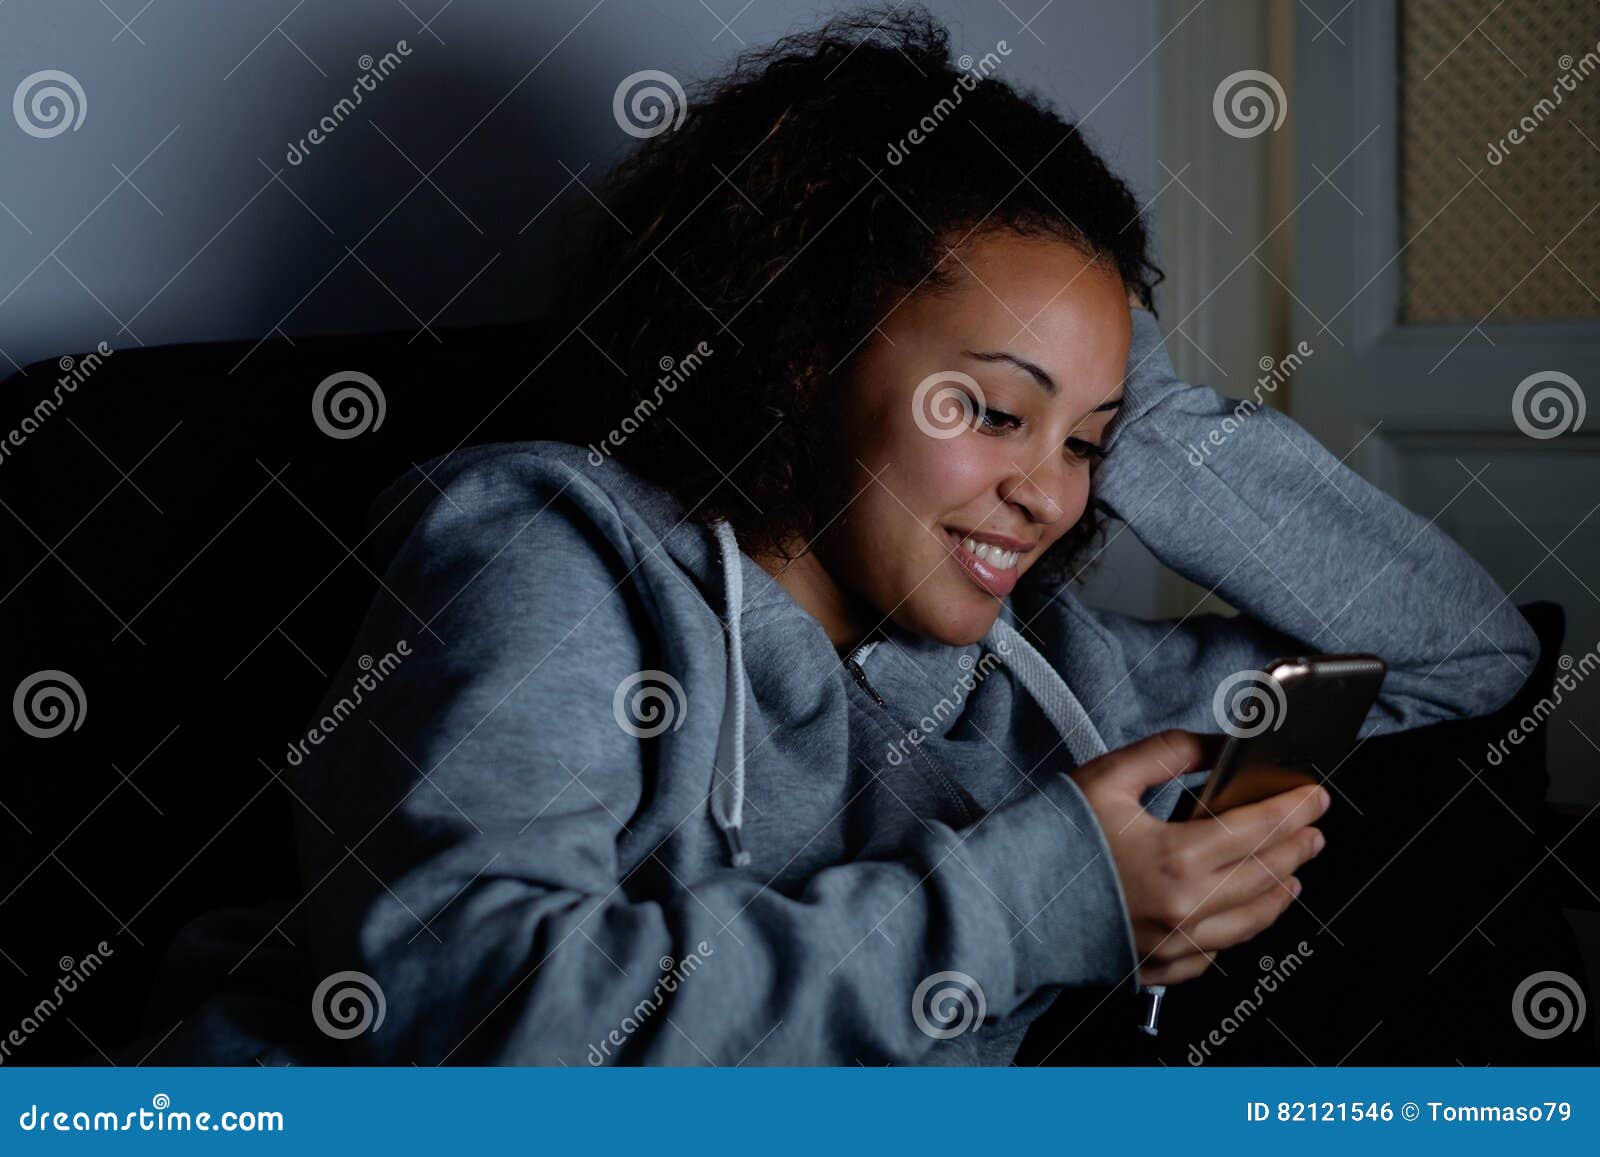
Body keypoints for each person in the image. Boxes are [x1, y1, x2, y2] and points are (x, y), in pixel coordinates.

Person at [140, 6, 1536, 1066]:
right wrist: (1030, 905)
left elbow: (1465, 654)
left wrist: (1132, 407)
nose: (1052, 498)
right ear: (801, 354)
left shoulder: (1056, 681)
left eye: (1086, 447)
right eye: (991, 410)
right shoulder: (551, 554)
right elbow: (471, 1017)